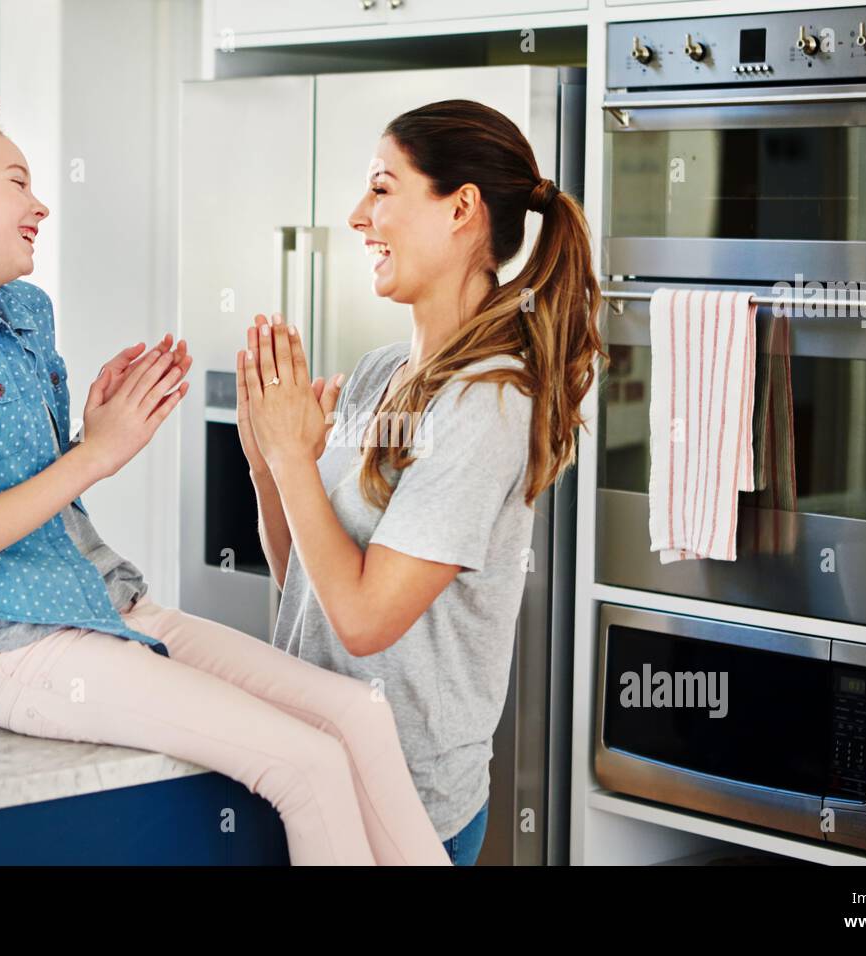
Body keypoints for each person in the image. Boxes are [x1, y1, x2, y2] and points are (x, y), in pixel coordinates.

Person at [0, 110, 450, 866]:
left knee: (359, 717)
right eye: (17, 182)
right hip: (20, 649)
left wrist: (94, 435)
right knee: (305, 765)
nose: (40, 205)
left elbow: (38, 494)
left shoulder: (22, 313)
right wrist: (97, 456)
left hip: (109, 608)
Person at [237, 99, 606, 866]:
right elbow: (303, 585)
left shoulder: (489, 400)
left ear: (461, 208)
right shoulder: (380, 373)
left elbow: (367, 621)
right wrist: (268, 464)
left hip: (402, 799)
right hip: (319, 767)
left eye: (382, 188)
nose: (357, 215)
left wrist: (297, 461)